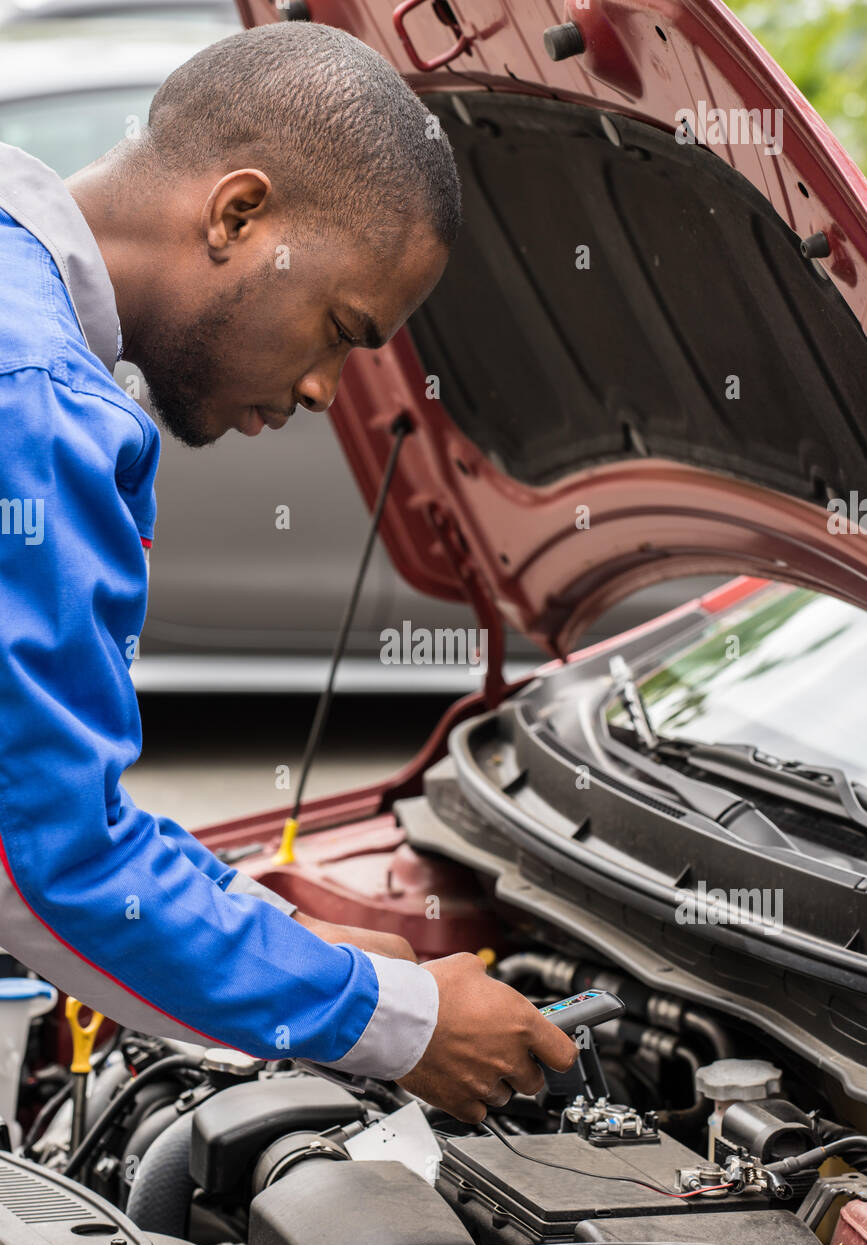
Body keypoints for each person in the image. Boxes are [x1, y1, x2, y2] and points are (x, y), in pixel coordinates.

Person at [0, 22, 575, 1123]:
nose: (323, 393)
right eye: (341, 330)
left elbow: (40, 783)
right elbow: (42, 859)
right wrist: (397, 1022)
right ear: (237, 214)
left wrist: (261, 926)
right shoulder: (36, 404)